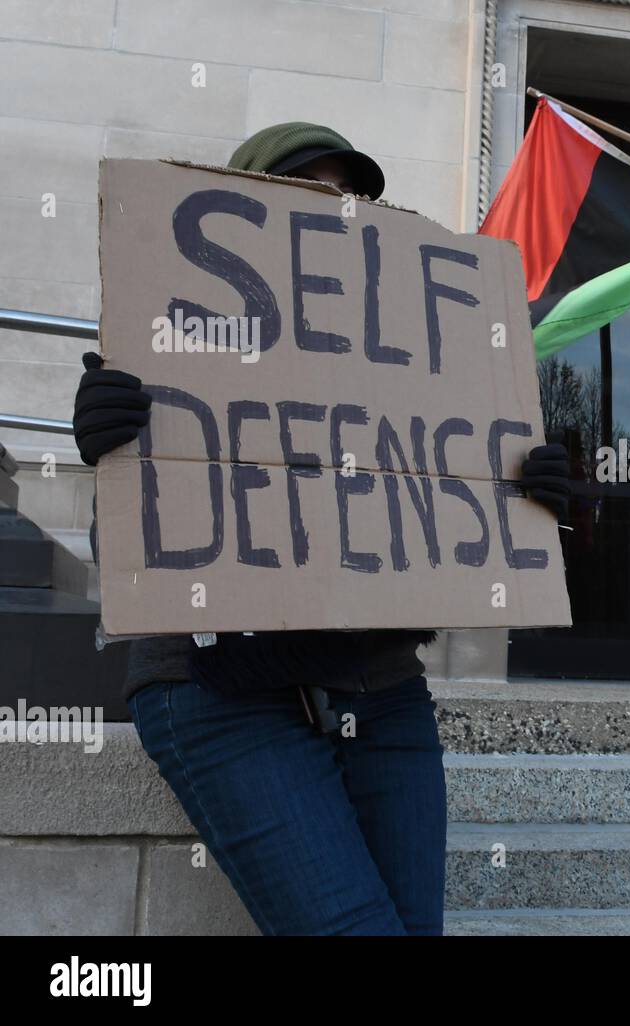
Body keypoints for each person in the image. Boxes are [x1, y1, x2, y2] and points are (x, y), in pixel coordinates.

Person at [72, 123, 572, 934]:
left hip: (381, 694)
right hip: (222, 693)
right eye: (310, 193)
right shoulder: (167, 341)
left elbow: (430, 540)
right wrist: (112, 453)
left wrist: (535, 499)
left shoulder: (408, 366)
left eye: (349, 198)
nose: (336, 211)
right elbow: (128, 564)